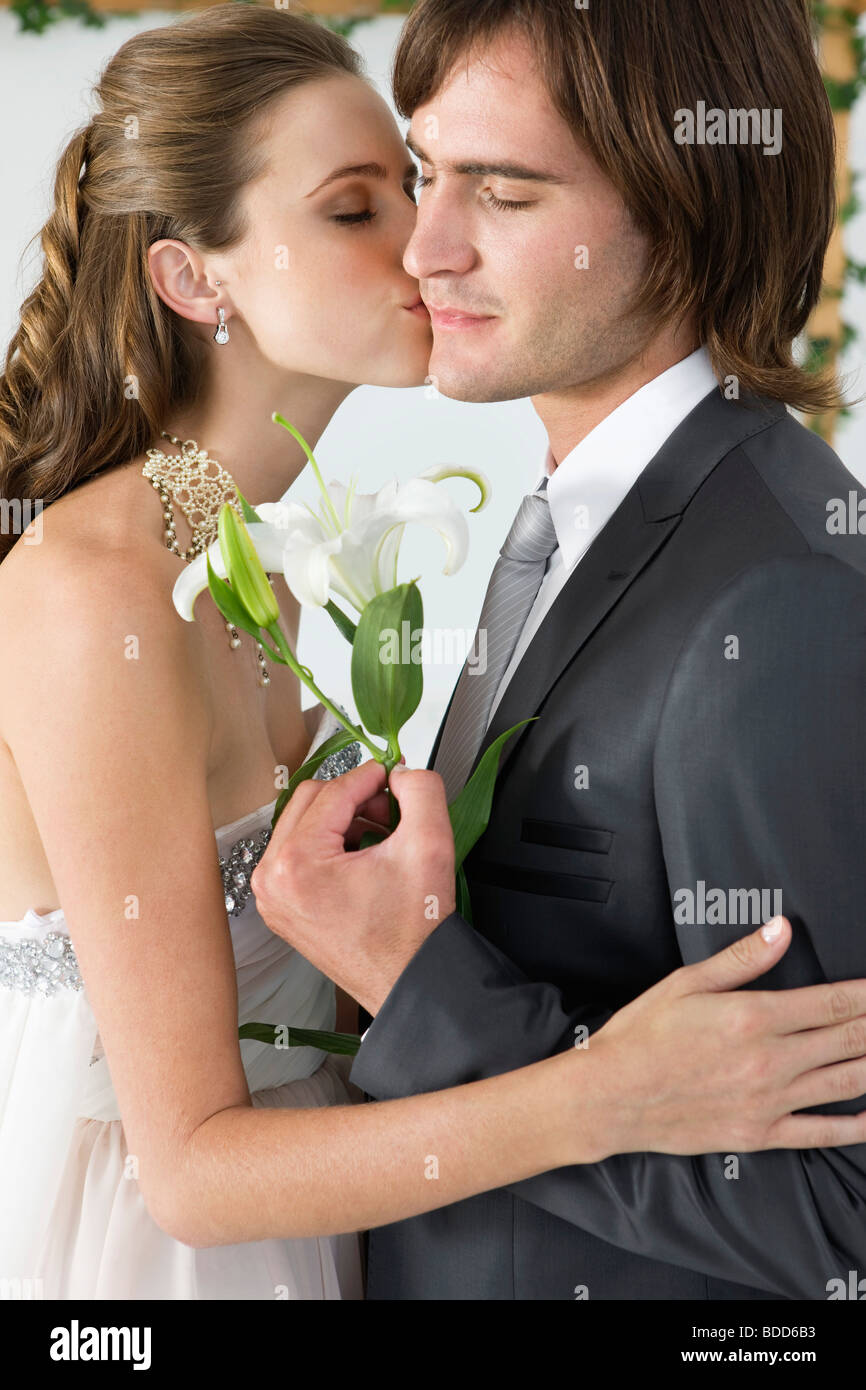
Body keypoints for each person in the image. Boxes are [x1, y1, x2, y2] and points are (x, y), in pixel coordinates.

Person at [0, 3, 863, 1303]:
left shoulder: (772, 595)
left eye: (494, 191)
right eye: (394, 190)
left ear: (679, 206)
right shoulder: (143, 571)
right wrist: (578, 1081)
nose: (426, 243)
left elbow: (834, 1204)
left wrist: (414, 983)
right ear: (193, 276)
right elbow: (191, 1139)